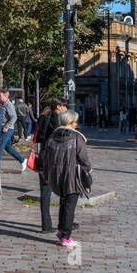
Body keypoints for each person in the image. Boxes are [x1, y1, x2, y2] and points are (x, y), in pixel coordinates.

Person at [41, 110, 91, 247]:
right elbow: (83, 157)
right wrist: (89, 168)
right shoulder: (76, 137)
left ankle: (61, 230)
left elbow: (45, 158)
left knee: (64, 202)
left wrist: (46, 175)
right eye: (75, 121)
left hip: (55, 174)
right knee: (69, 205)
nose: (76, 124)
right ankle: (66, 236)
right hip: (71, 175)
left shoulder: (52, 136)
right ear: (70, 122)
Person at [34, 99, 67, 231]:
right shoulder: (57, 120)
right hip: (55, 160)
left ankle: (46, 225)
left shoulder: (43, 118)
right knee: (65, 191)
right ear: (58, 107)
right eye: (64, 105)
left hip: (43, 157)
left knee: (45, 193)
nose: (66, 108)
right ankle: (64, 222)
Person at [0, 89, 24, 168]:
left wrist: (6, 126)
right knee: (8, 148)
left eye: (0, 95)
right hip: (4, 128)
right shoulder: (3, 104)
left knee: (0, 146)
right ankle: (22, 160)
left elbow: (14, 117)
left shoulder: (8, 105)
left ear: (5, 95)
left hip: (8, 129)